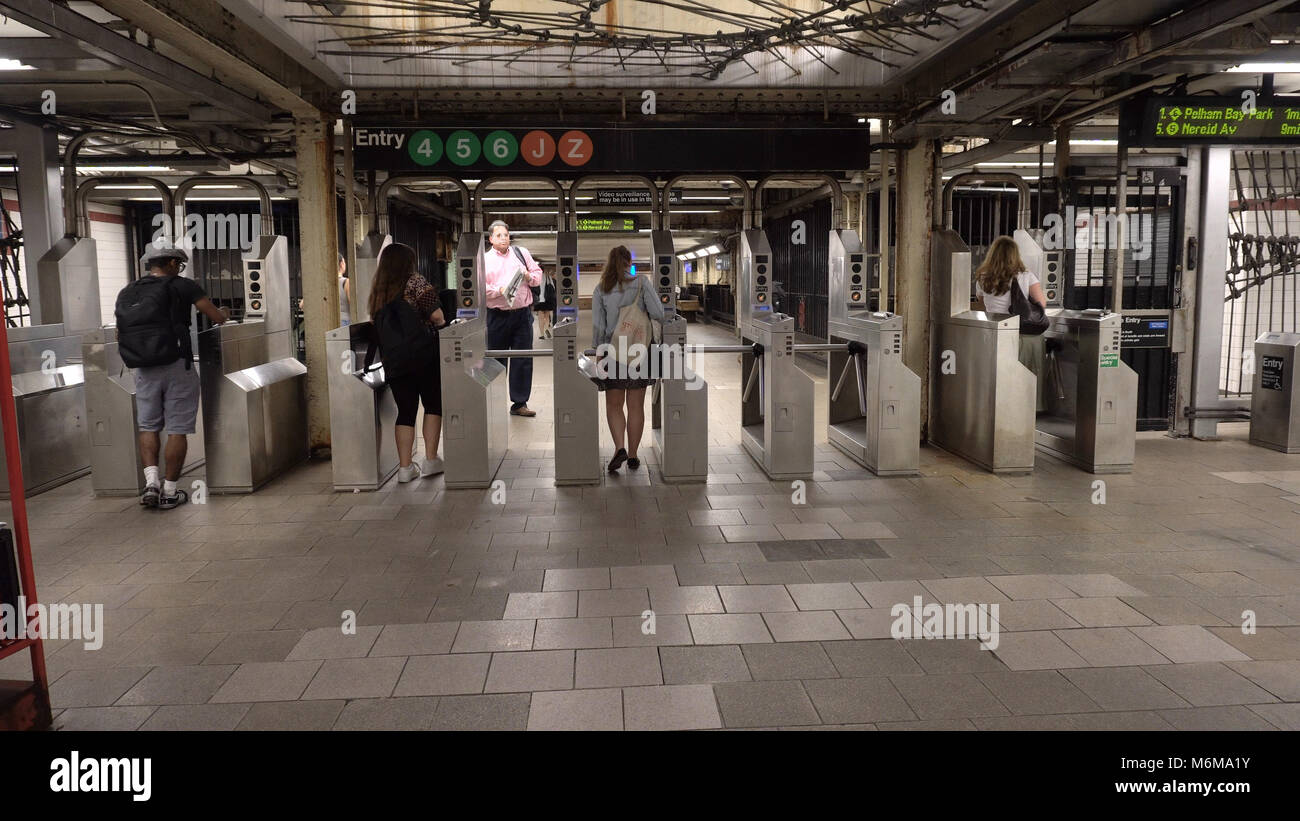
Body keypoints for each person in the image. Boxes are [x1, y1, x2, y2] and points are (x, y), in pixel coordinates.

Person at [115, 246, 228, 510]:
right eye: (180, 264)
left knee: (148, 425)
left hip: (143, 367)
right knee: (177, 428)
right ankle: (169, 491)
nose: (180, 268)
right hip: (177, 363)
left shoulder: (129, 291)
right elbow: (214, 316)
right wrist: (224, 314)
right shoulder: (183, 285)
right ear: (172, 263)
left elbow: (120, 333)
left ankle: (151, 483)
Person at [368, 243, 446, 483]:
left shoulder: (378, 290)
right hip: (423, 356)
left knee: (406, 410)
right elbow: (437, 315)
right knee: (432, 404)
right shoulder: (415, 282)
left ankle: (404, 468)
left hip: (394, 359)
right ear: (408, 262)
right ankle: (431, 460)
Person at [591, 245, 664, 472]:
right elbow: (659, 314)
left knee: (614, 405)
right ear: (628, 262)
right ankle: (633, 455)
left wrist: (598, 353)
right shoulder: (642, 284)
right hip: (639, 353)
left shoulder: (601, 288)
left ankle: (619, 447)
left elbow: (599, 327)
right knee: (636, 406)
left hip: (612, 354)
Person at [974, 235, 1048, 411]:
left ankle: (1000, 407)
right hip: (1022, 333)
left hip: (995, 332)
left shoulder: (983, 277)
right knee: (1025, 373)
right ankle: (1026, 408)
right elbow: (1041, 304)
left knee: (1000, 373)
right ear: (1015, 255)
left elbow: (981, 302)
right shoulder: (1026, 275)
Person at [483, 219, 543, 416]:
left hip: (522, 315)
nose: (504, 238)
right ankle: (495, 403)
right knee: (496, 359)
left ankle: (519, 403)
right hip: (496, 316)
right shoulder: (484, 260)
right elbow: (480, 288)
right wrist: (499, 290)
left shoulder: (521, 253)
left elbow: (537, 274)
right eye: (499, 235)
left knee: (522, 359)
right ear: (491, 238)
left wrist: (527, 276)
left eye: (506, 235)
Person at [531, 264, 556, 340]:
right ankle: (546, 329)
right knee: (547, 317)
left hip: (539, 300)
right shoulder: (548, 277)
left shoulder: (536, 277)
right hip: (548, 300)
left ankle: (542, 334)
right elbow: (553, 287)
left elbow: (533, 288)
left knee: (541, 318)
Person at [338, 252, 351, 327]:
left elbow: (302, 305)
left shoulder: (322, 284)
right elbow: (353, 305)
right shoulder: (346, 282)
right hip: (345, 323)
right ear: (342, 263)